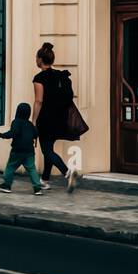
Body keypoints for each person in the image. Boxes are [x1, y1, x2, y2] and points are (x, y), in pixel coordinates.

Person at [32, 42, 81, 193]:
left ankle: (68, 173)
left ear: (40, 59)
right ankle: (45, 180)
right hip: (59, 118)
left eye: (36, 57)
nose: (36, 59)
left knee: (47, 151)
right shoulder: (61, 76)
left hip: (45, 119)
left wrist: (33, 121)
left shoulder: (39, 78)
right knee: (49, 149)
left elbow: (39, 101)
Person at [0, 102, 43, 195]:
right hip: (29, 151)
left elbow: (12, 133)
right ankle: (37, 188)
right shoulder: (30, 124)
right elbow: (36, 133)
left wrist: (1, 135)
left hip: (17, 150)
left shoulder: (16, 122)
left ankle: (6, 185)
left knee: (11, 166)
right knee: (32, 169)